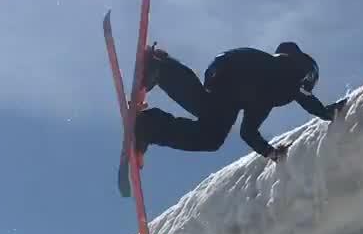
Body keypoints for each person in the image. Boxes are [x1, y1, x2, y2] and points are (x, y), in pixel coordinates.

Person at [135, 41, 347, 162]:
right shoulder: (292, 69)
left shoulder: (265, 99)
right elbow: (303, 95)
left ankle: (152, 121)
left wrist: (271, 153)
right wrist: (326, 113)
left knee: (210, 133)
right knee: (209, 120)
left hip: (230, 75)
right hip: (237, 73)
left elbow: (248, 133)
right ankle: (159, 76)